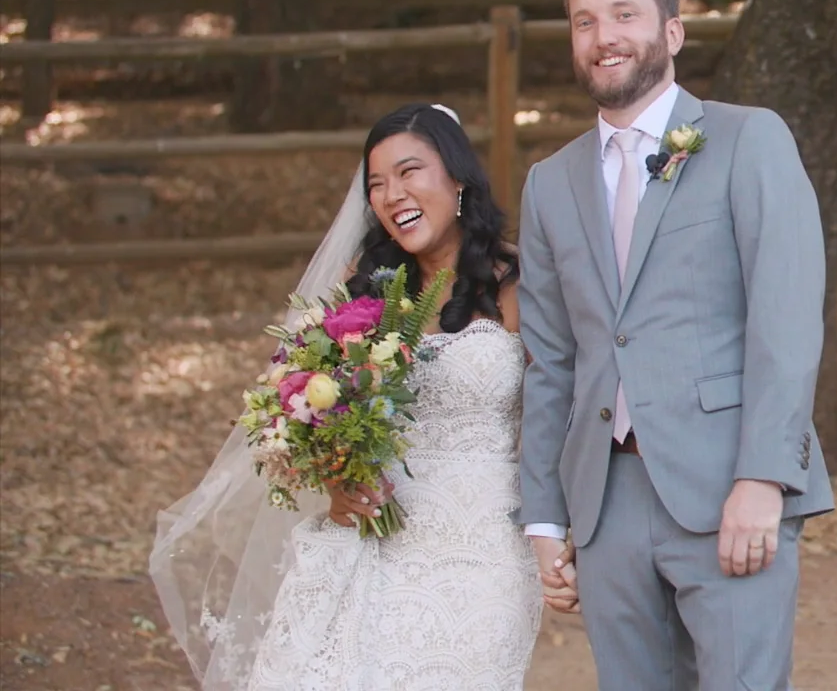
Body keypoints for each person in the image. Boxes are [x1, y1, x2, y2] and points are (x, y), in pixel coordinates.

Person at [149, 103, 553, 690]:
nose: (393, 195)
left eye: (410, 171)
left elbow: (561, 413)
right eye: (377, 184)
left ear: (458, 178)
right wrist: (335, 474)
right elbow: (304, 405)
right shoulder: (359, 291)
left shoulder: (517, 283)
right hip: (368, 539)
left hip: (480, 551)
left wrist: (555, 532)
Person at [516, 0, 835, 690]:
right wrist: (543, 520)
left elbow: (785, 323)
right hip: (605, 506)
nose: (605, 37)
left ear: (674, 31)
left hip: (727, 486)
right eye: (584, 21)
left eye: (625, 14)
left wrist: (764, 478)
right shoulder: (549, 184)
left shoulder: (748, 140)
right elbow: (550, 364)